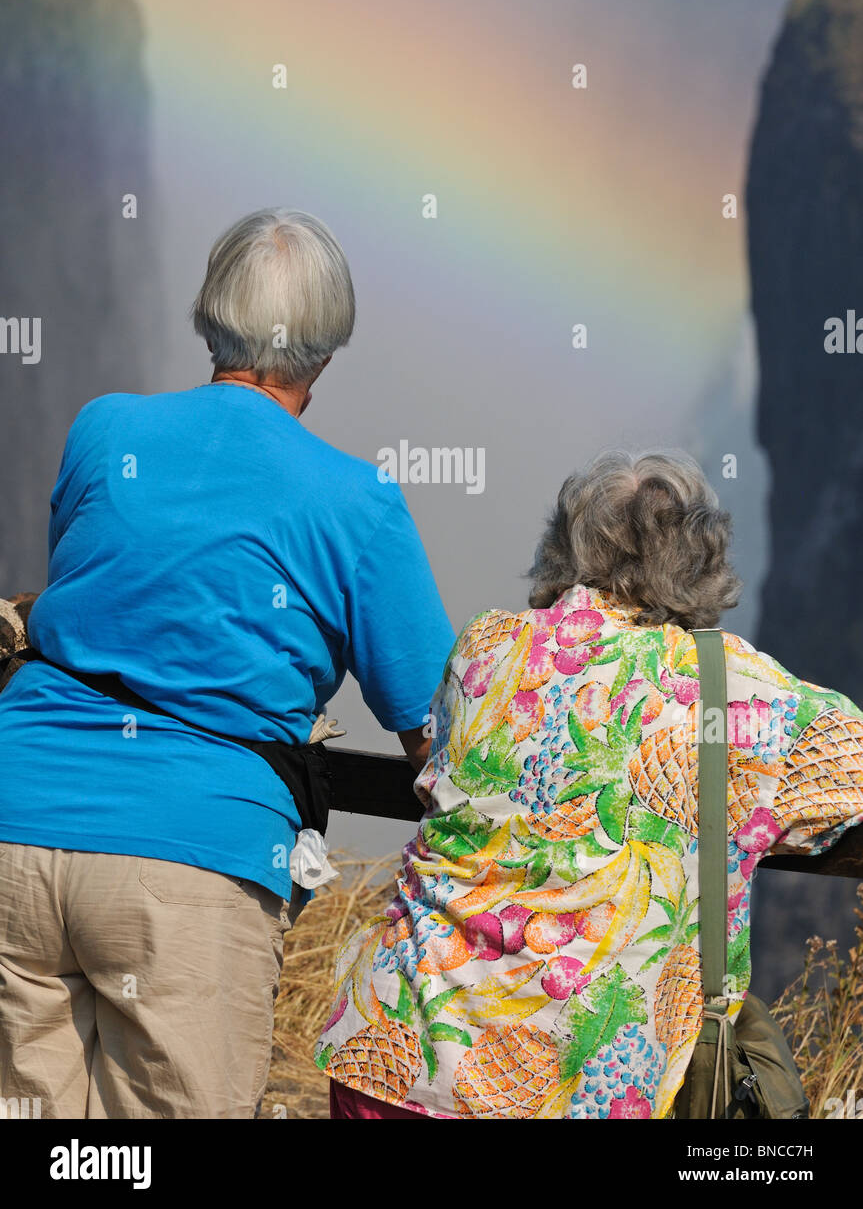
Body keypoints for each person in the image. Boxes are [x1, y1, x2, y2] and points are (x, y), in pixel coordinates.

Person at [0, 208, 453, 1119]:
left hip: (17, 819)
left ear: (210, 317)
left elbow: (88, 601)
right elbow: (438, 731)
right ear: (326, 350)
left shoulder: (103, 431)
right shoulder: (357, 504)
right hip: (191, 865)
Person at [319, 449, 863, 1119]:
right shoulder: (730, 689)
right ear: (703, 557)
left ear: (561, 545)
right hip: (571, 1095)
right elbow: (845, 772)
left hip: (391, 1055)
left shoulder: (484, 647)